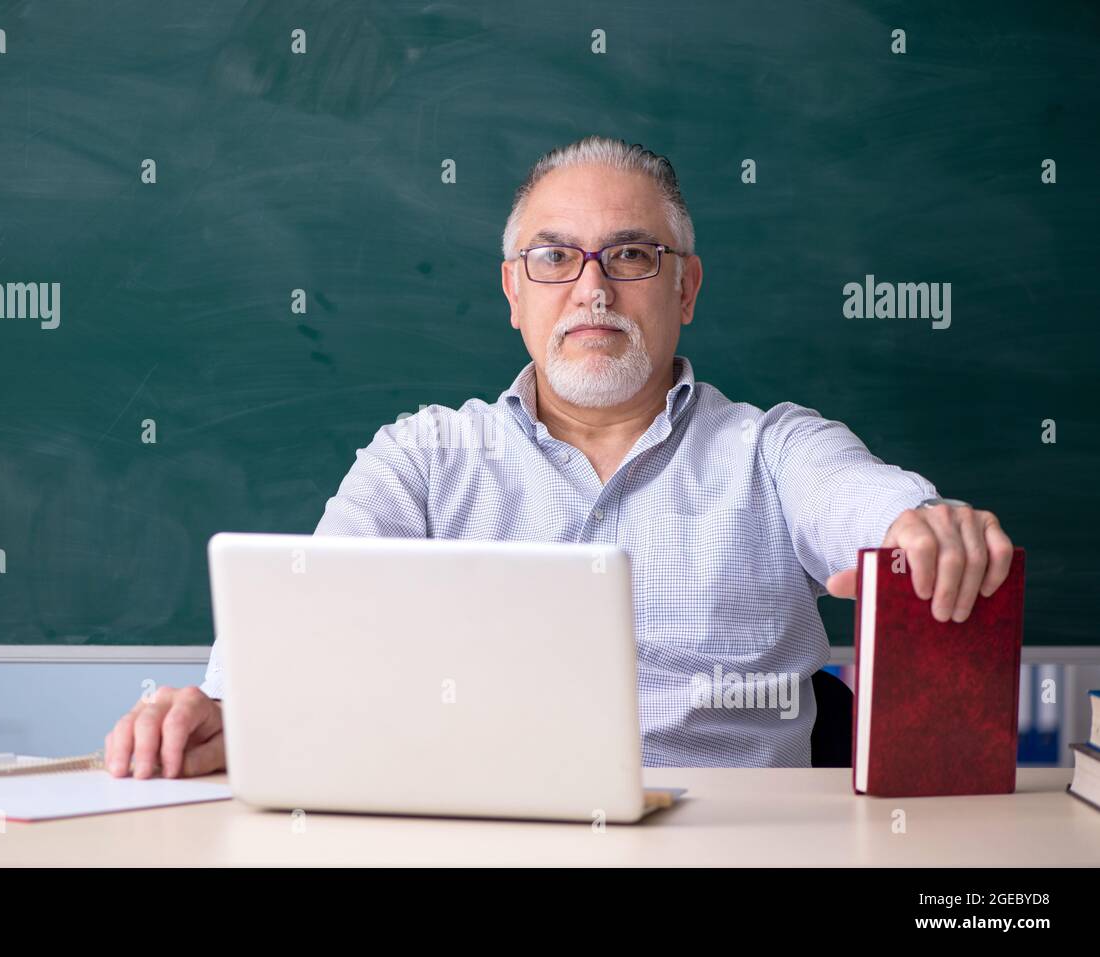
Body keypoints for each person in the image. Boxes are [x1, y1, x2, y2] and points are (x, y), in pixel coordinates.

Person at [105, 135, 1015, 779]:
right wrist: (223, 705)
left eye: (630, 254)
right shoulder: (424, 457)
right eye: (554, 258)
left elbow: (865, 503)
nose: (591, 287)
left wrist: (917, 525)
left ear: (685, 287)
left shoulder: (772, 450)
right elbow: (302, 613)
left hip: (738, 852)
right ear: (513, 291)